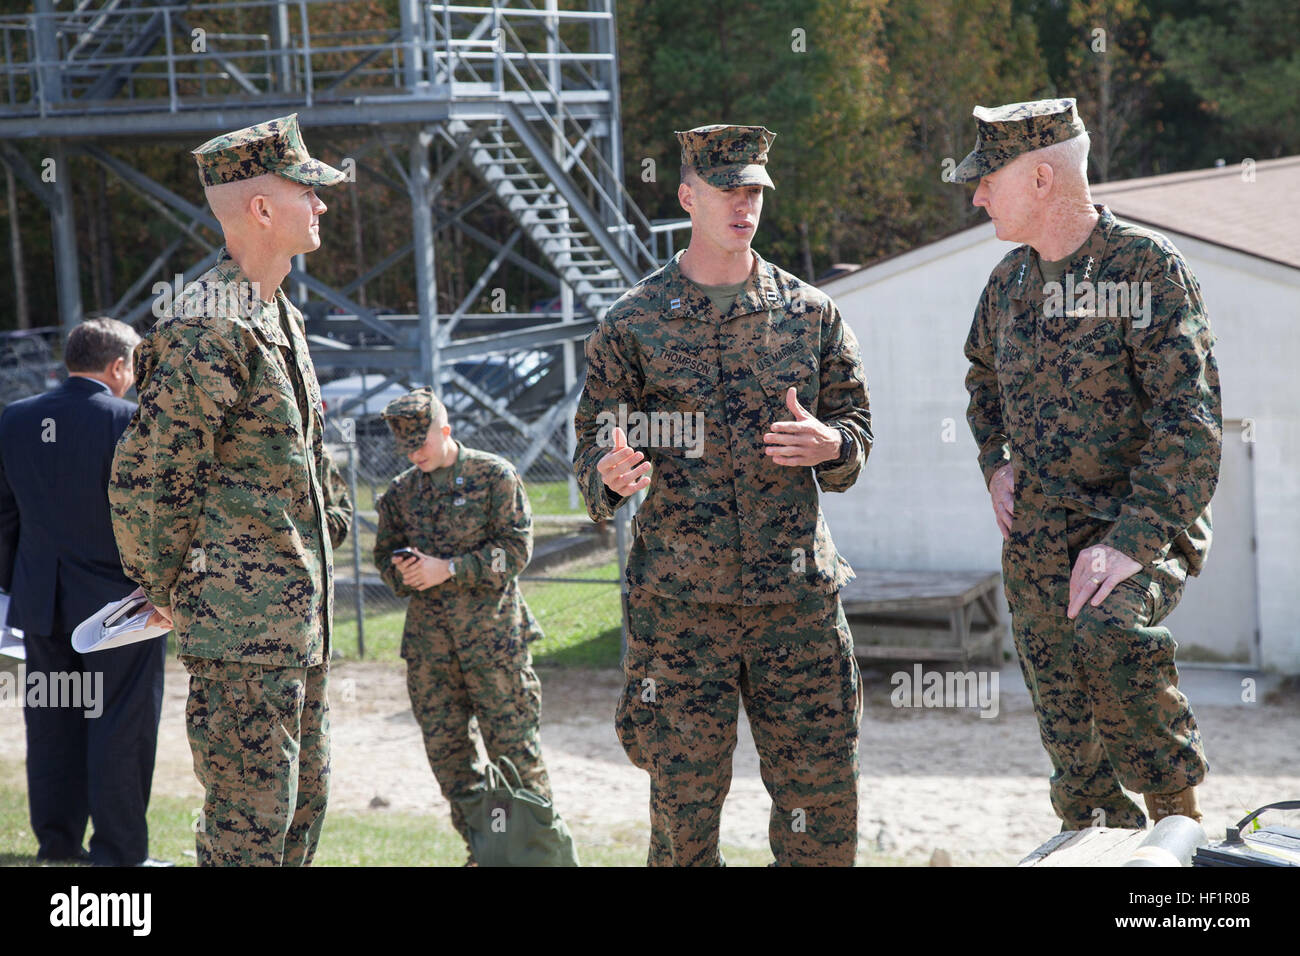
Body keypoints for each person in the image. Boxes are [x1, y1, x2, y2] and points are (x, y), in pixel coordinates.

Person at [572, 125, 872, 866]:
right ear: (687, 196)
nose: (744, 205)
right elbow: (591, 440)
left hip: (796, 607)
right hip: (681, 616)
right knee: (683, 823)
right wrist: (605, 476)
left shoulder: (810, 312)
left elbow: (855, 427)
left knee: (821, 814)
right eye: (727, 190)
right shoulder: (632, 321)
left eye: (754, 191)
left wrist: (836, 447)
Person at [954, 98, 1221, 830]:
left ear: (1042, 178)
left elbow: (1189, 427)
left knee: (1109, 630)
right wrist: (995, 460)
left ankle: (1176, 822)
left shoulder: (1146, 269)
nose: (976, 193)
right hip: (1044, 523)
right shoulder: (1008, 286)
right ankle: (1090, 824)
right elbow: (981, 378)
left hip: (1143, 516)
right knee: (1060, 694)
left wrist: (1128, 544)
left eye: (988, 178)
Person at [109, 113, 347, 866]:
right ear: (262, 209)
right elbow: (154, 472)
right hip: (242, 632)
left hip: (296, 625)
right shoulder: (211, 321)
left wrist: (332, 523)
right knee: (250, 834)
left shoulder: (277, 314)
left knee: (299, 820)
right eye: (308, 190)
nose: (323, 205)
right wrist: (164, 583)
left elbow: (304, 457)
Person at [0, 317, 169, 867]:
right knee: (120, 725)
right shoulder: (130, 421)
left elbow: (4, 518)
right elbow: (152, 518)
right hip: (119, 610)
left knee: (52, 724)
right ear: (118, 366)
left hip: (42, 602)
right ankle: (118, 853)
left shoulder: (17, 419)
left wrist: (20, 585)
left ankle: (56, 842)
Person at [373, 388, 554, 863]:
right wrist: (404, 571)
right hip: (431, 652)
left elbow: (516, 550)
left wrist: (449, 568)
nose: (416, 453)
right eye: (407, 447)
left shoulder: (494, 475)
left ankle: (536, 857)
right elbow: (384, 553)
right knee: (451, 762)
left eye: (422, 442)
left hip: (494, 646)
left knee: (516, 758)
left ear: (445, 430)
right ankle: (487, 852)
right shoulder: (401, 492)